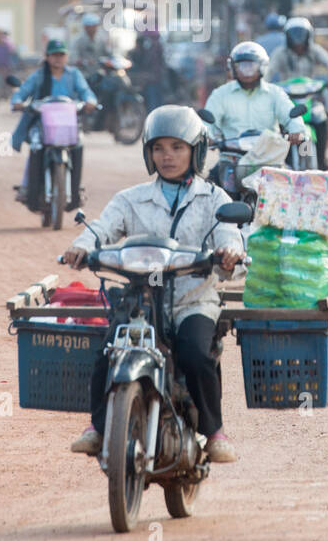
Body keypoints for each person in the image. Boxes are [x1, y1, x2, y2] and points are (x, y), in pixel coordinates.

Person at [61, 105, 245, 462]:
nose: (168, 156)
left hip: (192, 301)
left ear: (196, 151)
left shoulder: (215, 199)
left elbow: (230, 235)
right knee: (108, 349)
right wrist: (81, 247)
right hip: (140, 302)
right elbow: (102, 228)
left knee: (195, 353)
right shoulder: (131, 198)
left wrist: (229, 251)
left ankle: (214, 431)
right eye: (159, 148)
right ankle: (98, 427)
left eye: (177, 147)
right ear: (148, 152)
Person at [10, 39, 97, 209]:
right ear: (47, 57)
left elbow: (86, 92)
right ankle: (28, 188)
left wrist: (90, 102)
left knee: (78, 145)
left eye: (61, 55)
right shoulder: (39, 75)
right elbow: (22, 92)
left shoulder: (74, 75)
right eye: (54, 55)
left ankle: (75, 190)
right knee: (35, 145)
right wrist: (17, 102)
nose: (58, 58)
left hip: (68, 126)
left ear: (67, 56)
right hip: (41, 125)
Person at [204, 40, 308, 167]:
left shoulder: (275, 93)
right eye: (242, 66)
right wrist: (207, 136)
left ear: (262, 66)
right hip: (231, 160)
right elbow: (208, 123)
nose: (247, 70)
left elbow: (290, 115)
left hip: (269, 160)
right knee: (208, 184)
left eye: (251, 65)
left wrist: (296, 130)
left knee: (293, 184)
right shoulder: (220, 94)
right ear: (232, 68)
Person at [265, 18, 328, 167]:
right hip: (287, 99)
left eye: (301, 35)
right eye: (294, 35)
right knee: (277, 125)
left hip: (310, 97)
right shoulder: (280, 53)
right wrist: (264, 85)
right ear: (287, 37)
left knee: (321, 119)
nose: (298, 40)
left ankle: (321, 158)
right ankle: (282, 160)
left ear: (308, 36)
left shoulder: (315, 51)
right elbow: (269, 70)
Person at [128, 27, 168, 111]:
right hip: (149, 80)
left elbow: (160, 64)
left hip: (155, 79)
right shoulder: (145, 48)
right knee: (153, 103)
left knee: (156, 103)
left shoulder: (156, 47)